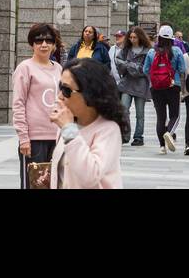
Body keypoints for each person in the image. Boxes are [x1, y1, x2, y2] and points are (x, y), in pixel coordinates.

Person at [50, 58, 125, 188]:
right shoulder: (68, 123)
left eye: (67, 90)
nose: (60, 96)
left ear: (89, 94)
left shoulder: (108, 129)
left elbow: (90, 176)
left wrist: (68, 129)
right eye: (60, 87)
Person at [12, 23, 64, 188]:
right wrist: (23, 138)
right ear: (31, 44)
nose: (44, 45)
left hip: (57, 136)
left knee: (56, 183)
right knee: (35, 184)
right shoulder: (25, 68)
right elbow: (18, 103)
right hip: (34, 138)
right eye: (39, 41)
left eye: (48, 41)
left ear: (54, 44)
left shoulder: (59, 69)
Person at [143, 25, 187, 154]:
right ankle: (169, 132)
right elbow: (182, 69)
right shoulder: (177, 51)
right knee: (175, 115)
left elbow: (145, 70)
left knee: (160, 117)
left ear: (159, 37)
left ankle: (162, 147)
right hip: (173, 86)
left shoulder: (152, 52)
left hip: (156, 88)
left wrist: (155, 79)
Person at [113, 27, 151, 146]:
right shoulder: (126, 49)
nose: (132, 39)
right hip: (127, 83)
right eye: (131, 37)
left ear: (140, 37)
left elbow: (145, 69)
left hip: (141, 85)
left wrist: (128, 65)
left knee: (140, 113)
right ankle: (125, 135)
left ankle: (138, 137)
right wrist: (131, 66)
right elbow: (118, 61)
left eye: (135, 37)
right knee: (124, 110)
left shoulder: (148, 51)